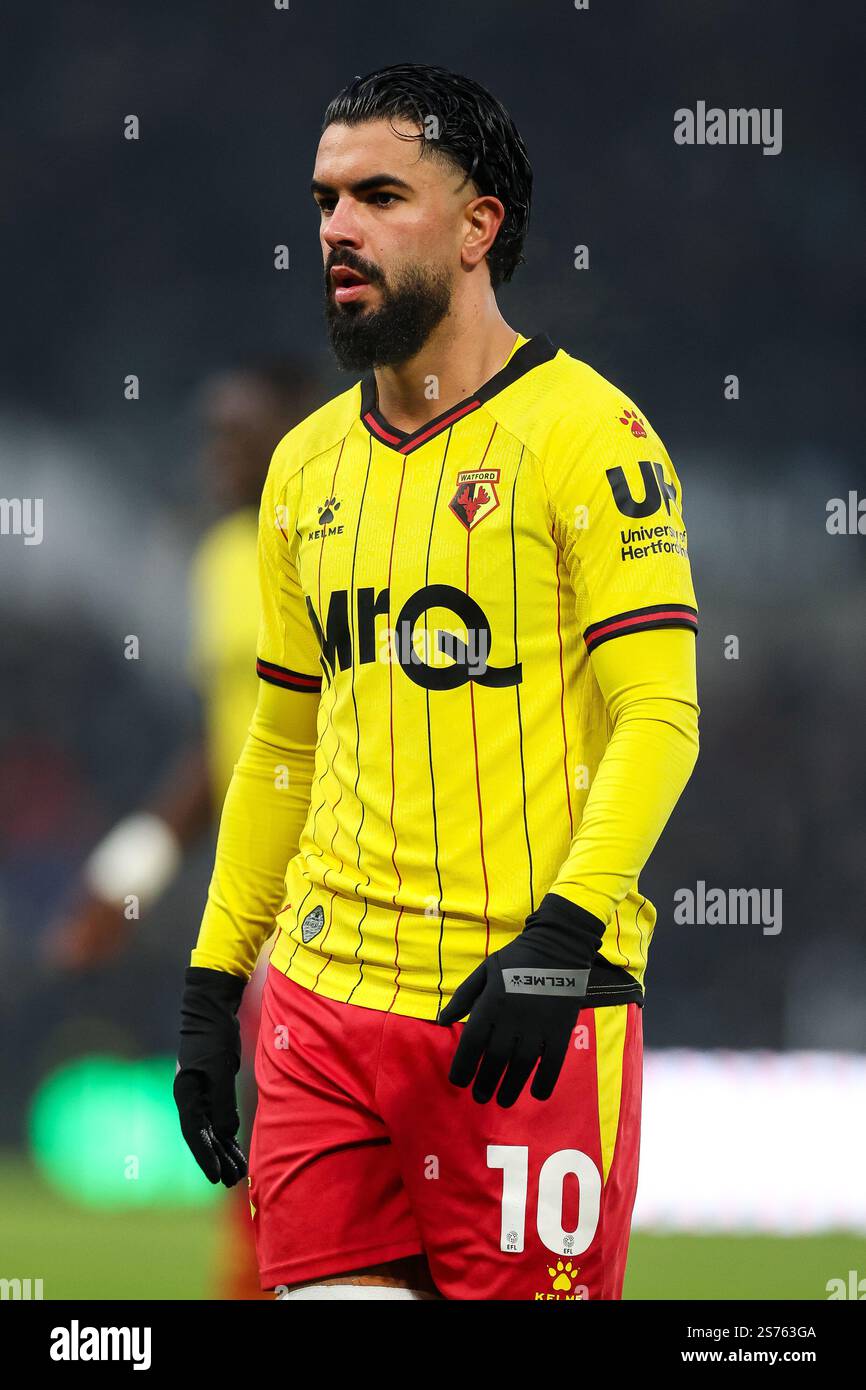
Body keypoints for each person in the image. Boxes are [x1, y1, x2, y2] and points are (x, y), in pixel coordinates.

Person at [174, 63, 700, 1302]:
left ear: (477, 227)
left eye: (377, 196)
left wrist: (561, 938)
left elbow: (659, 715)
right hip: (321, 1011)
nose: (335, 228)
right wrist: (211, 979)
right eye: (324, 200)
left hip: (521, 1014)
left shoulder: (591, 438)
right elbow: (282, 747)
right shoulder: (304, 469)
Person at [47, 360, 322, 1298]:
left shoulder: (344, 551)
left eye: (237, 436)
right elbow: (227, 746)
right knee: (259, 1130)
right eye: (211, 436)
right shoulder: (220, 562)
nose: (216, 457)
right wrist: (126, 877)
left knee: (289, 1134)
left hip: (348, 893)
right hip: (260, 902)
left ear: (298, 432)